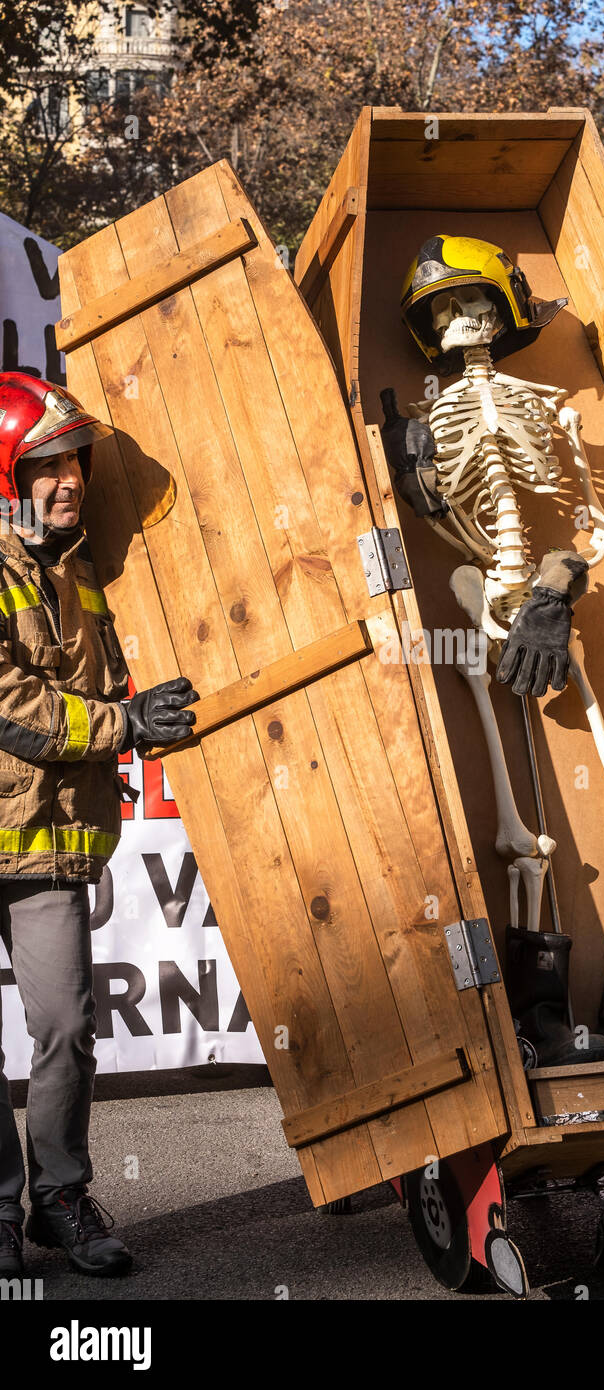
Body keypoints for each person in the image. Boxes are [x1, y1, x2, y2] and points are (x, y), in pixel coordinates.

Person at [0, 372, 198, 1279]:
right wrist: (125, 724)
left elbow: (104, 682)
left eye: (75, 459)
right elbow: (12, 705)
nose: (71, 476)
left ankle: (61, 1200)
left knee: (68, 1024)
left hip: (46, 843)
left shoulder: (85, 573)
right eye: (48, 463)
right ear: (8, 475)